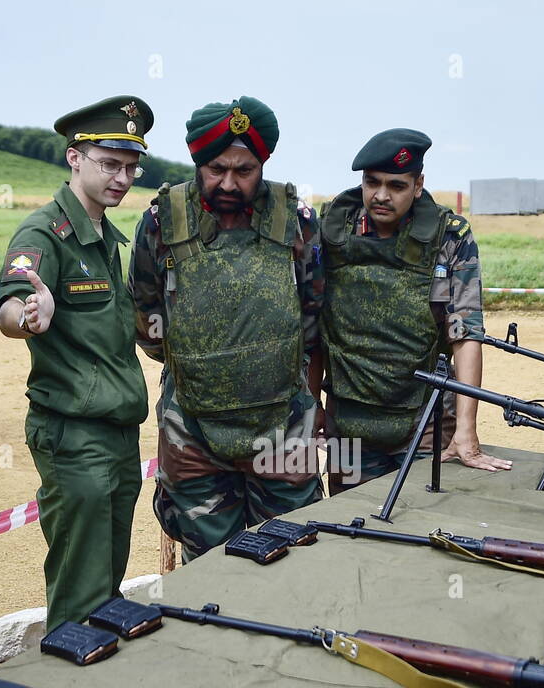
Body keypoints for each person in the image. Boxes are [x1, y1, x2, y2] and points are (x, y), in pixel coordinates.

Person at [131, 96, 323, 560]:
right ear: (198, 160)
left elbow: (313, 318)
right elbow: (146, 315)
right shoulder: (162, 222)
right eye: (217, 169)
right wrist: (201, 364)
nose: (230, 182)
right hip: (193, 429)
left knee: (293, 557)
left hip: (283, 425)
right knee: (209, 567)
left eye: (245, 170)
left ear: (263, 163)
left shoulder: (297, 223)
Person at [0, 97, 151, 627]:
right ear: (74, 159)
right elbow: (11, 305)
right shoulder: (44, 234)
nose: (123, 178)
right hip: (74, 436)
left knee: (106, 585)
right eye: (110, 163)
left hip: (117, 433)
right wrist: (31, 315)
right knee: (81, 596)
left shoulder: (106, 237)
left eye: (131, 167)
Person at [318, 128, 511, 490]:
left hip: (426, 418)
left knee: (426, 519)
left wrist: (467, 430)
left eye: (396, 186)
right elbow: (310, 324)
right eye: (372, 182)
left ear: (418, 185)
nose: (381, 195)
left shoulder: (449, 236)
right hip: (348, 419)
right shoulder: (333, 231)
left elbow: (466, 331)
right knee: (349, 525)